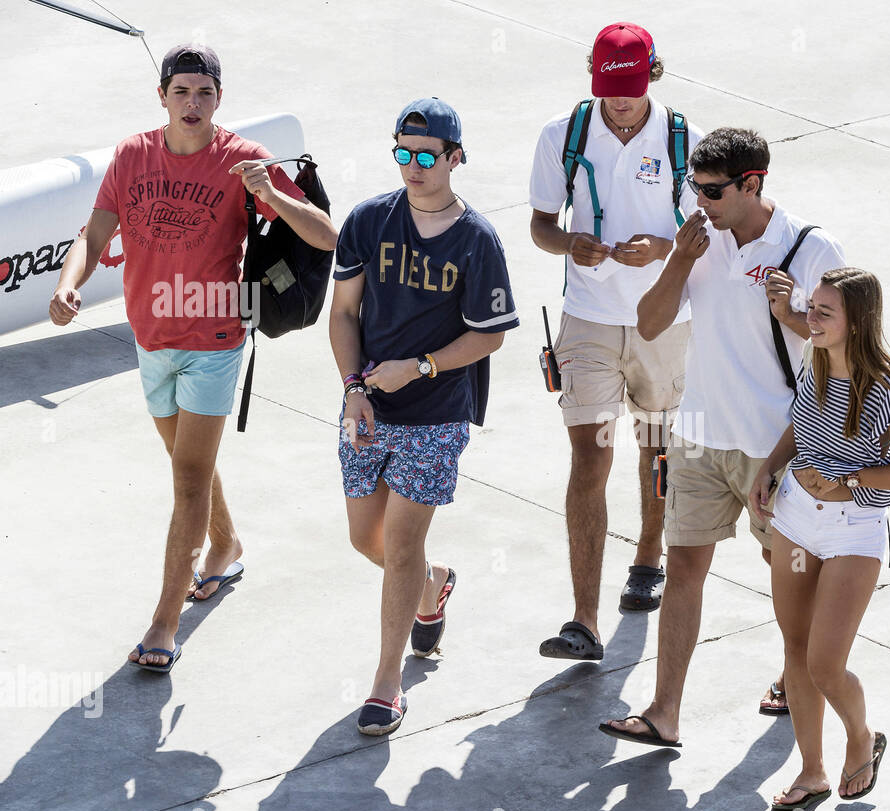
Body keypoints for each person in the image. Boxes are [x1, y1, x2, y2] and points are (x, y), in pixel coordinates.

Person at [47, 43, 337, 673]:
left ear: (219, 99)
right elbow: (94, 232)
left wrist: (274, 196)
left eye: (204, 92)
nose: (193, 103)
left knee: (185, 481)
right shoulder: (131, 156)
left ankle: (163, 622)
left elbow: (325, 235)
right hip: (149, 338)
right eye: (181, 91)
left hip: (214, 340)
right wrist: (70, 283)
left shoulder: (243, 161)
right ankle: (226, 545)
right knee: (190, 464)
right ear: (162, 97)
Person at [599, 128, 846, 747]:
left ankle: (799, 681)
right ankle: (665, 712)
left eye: (713, 191)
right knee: (683, 566)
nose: (700, 202)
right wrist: (680, 257)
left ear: (753, 184)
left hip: (781, 443)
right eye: (694, 188)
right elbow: (651, 325)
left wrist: (792, 315)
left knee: (787, 574)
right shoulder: (698, 240)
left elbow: (848, 348)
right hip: (700, 436)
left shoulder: (811, 248)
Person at [330, 97, 518, 735]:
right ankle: (433, 585)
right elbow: (344, 314)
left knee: (402, 542)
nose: (412, 167)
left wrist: (421, 367)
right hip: (368, 405)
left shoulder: (478, 240)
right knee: (367, 539)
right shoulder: (367, 221)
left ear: (455, 158)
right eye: (402, 154)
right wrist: (355, 388)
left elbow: (488, 335)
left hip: (436, 413)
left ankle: (387, 683)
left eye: (425, 156)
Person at [529, 22, 703, 661]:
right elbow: (542, 225)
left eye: (630, 87)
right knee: (589, 458)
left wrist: (663, 249)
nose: (620, 100)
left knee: (657, 448)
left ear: (653, 76)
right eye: (609, 87)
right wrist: (568, 243)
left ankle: (649, 556)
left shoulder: (685, 139)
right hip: (589, 320)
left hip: (665, 319)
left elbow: (706, 232)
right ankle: (583, 619)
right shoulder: (564, 135)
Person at [748, 268, 890, 810]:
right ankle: (811, 772)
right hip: (796, 519)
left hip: (853, 530)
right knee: (796, 653)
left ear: (857, 322)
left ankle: (861, 737)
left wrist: (850, 478)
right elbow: (799, 425)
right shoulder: (815, 360)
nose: (811, 319)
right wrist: (771, 466)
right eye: (813, 307)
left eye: (825, 312)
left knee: (826, 662)